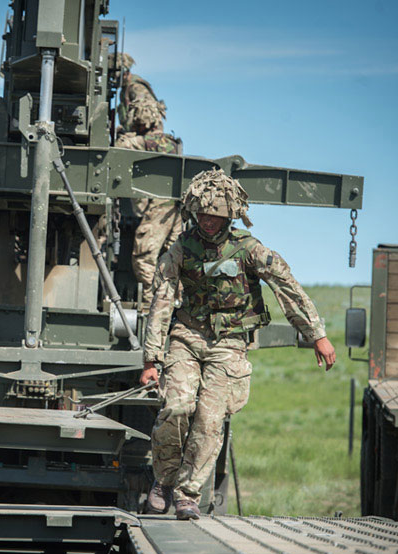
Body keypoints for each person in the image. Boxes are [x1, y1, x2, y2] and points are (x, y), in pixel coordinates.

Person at [138, 168, 336, 520]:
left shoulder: (249, 250)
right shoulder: (181, 248)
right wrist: (151, 359)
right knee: (177, 407)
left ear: (229, 214)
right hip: (187, 336)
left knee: (210, 420)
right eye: (202, 214)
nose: (208, 221)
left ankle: (187, 494)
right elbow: (162, 300)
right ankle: (164, 481)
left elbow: (287, 287)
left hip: (229, 344)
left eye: (215, 215)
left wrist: (316, 334)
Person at [115, 99, 184, 306]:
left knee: (144, 259)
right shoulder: (171, 142)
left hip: (159, 211)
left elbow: (120, 147)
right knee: (174, 261)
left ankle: (151, 306)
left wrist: (125, 134)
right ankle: (176, 304)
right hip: (175, 211)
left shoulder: (147, 141)